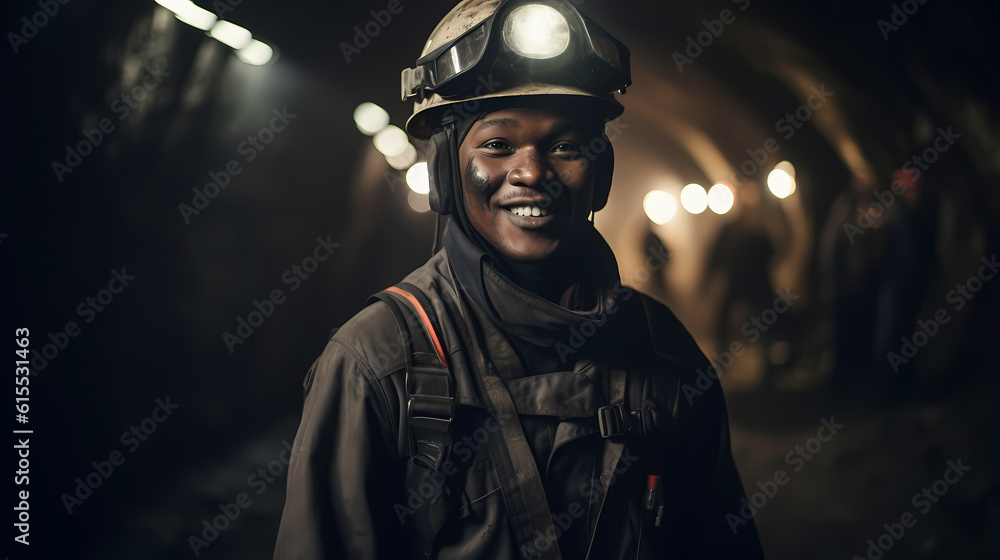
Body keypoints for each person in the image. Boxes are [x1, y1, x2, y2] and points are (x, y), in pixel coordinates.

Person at [274, 1, 765, 558]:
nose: (532, 173)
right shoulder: (377, 363)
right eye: (497, 145)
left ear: (600, 175)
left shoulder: (664, 352)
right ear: (444, 172)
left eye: (565, 147)